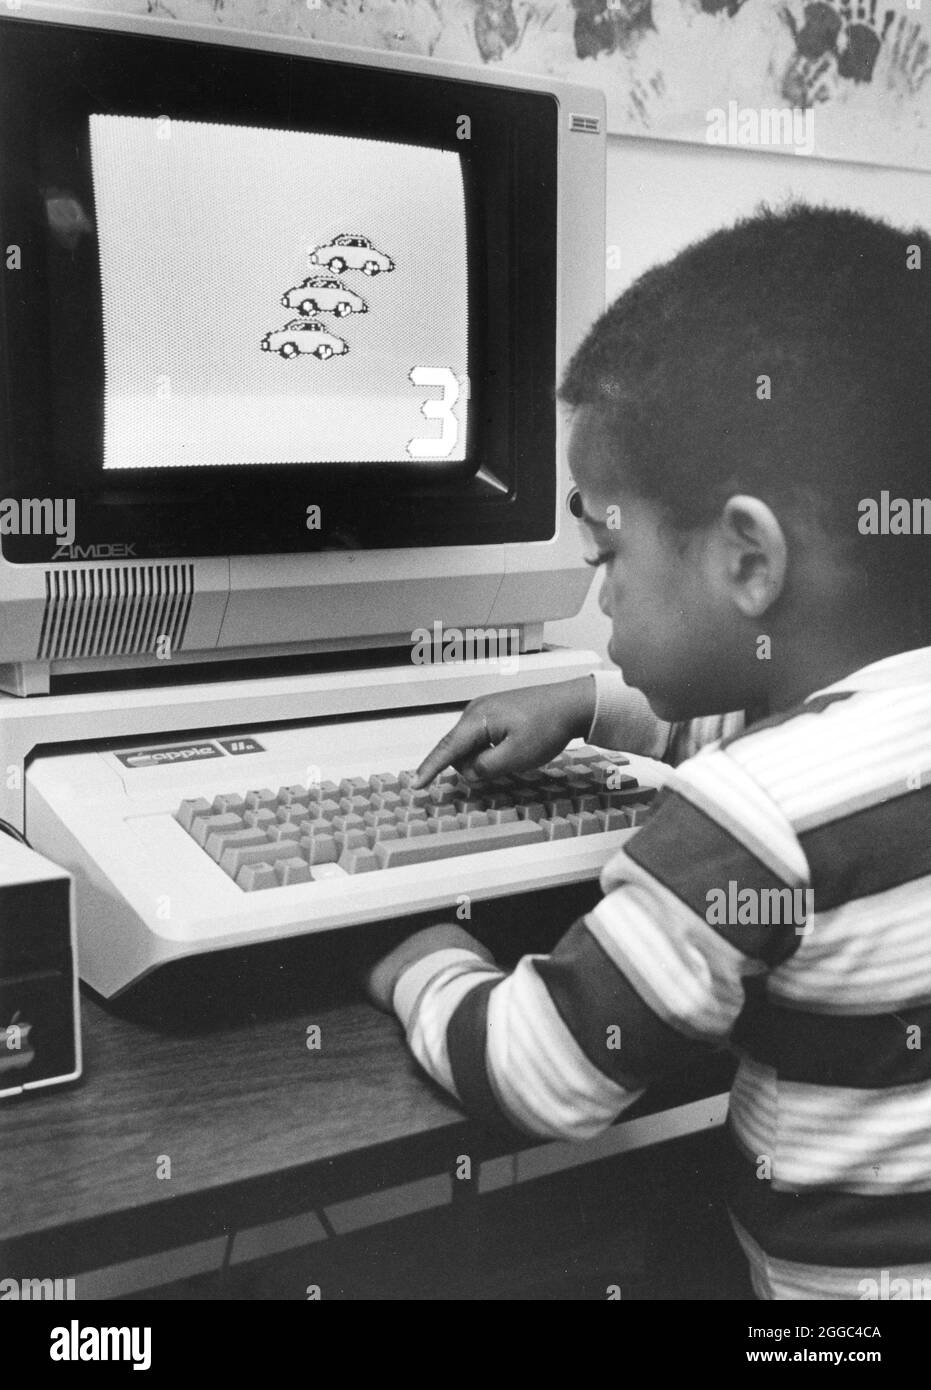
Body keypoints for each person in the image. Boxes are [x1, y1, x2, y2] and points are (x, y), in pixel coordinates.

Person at [365, 205, 931, 1300]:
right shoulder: (845, 752)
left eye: (608, 547)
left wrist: (423, 963)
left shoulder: (753, 819)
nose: (599, 592)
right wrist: (598, 704)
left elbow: (543, 1075)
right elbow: (792, 732)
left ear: (747, 559)